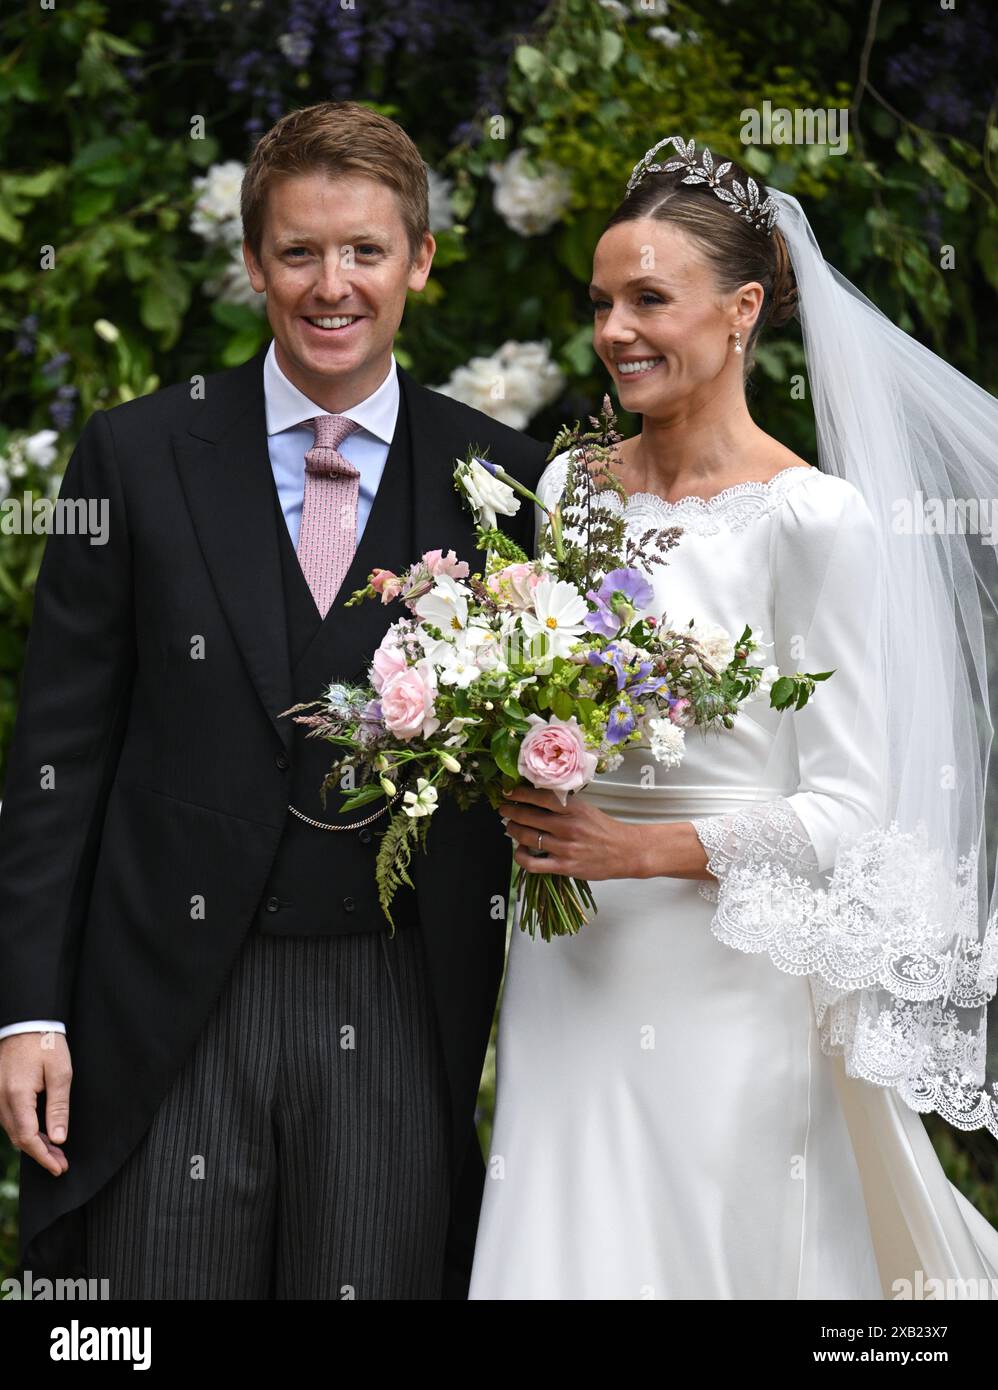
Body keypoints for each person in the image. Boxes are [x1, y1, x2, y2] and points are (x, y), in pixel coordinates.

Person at [0, 100, 546, 1299]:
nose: (331, 284)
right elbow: (58, 755)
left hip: (398, 1004)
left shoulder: (505, 485)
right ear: (253, 263)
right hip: (169, 1003)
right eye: (298, 251)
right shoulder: (137, 456)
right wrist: (28, 1011)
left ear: (420, 262)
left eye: (362, 250)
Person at [469, 135, 998, 1300]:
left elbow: (852, 809)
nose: (614, 330)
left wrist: (643, 850)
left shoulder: (811, 519)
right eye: (602, 301)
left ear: (740, 308)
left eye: (648, 298)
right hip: (568, 946)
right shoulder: (569, 490)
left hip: (723, 959)